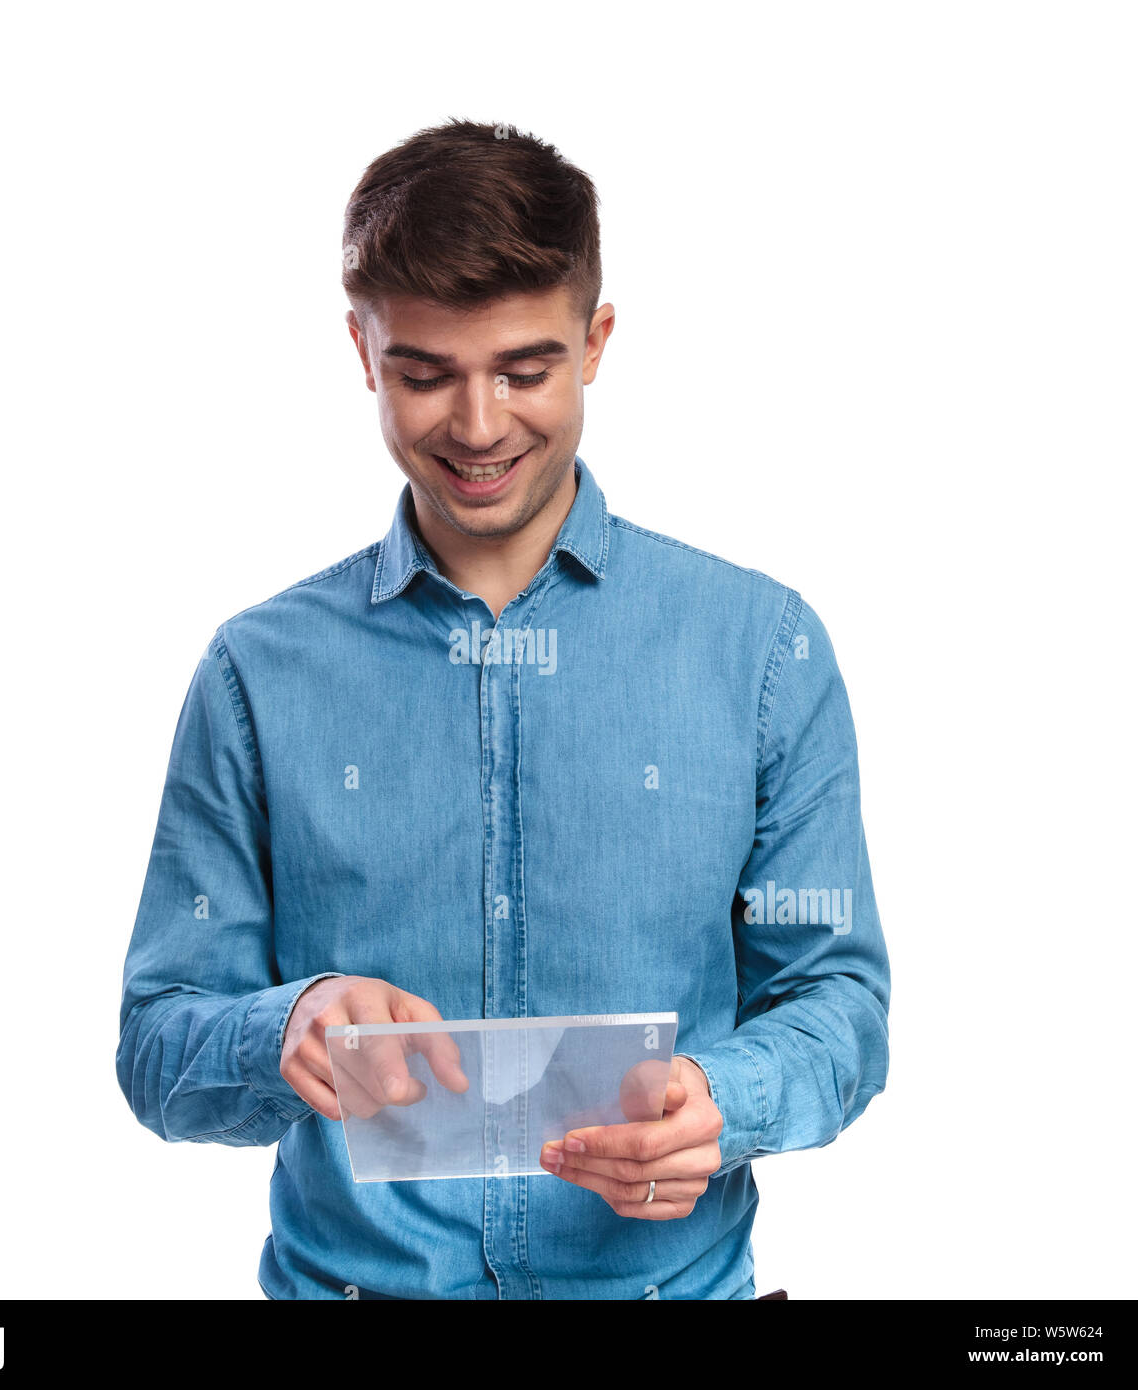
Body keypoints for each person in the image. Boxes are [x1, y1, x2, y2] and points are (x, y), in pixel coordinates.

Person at [115, 118, 890, 1300]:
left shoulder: (762, 649)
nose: (478, 428)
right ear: (363, 352)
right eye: (425, 372)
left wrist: (725, 1102)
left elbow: (838, 1000)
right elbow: (156, 1044)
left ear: (597, 342)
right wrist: (284, 1025)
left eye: (524, 370)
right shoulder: (255, 675)